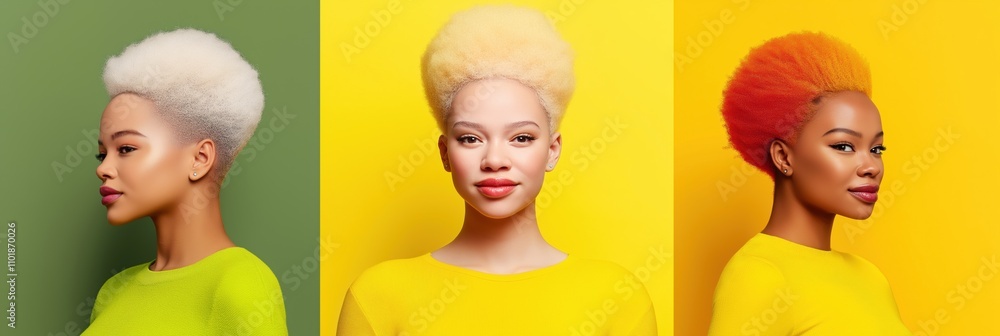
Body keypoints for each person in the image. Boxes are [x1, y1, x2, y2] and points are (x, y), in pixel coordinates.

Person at [337, 5, 656, 335]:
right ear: (445, 153)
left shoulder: (619, 297)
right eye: (471, 138)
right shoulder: (377, 296)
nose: (494, 160)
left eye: (521, 137)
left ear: (552, 149)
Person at [84, 28, 287, 335]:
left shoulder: (239, 285)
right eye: (102, 154)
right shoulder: (113, 290)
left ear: (200, 159)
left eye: (126, 148)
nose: (104, 169)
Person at [707, 32, 910, 335]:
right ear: (783, 157)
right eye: (843, 146)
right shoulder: (759, 274)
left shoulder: (871, 278)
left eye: (876, 149)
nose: (871, 166)